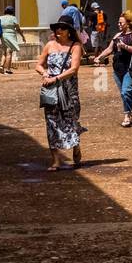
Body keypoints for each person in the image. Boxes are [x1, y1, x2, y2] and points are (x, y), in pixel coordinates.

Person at [36, 15, 83, 170]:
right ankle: (56, 160)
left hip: (69, 90)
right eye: (56, 28)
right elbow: (39, 65)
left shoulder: (75, 46)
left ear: (69, 31)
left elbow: (74, 69)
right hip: (51, 91)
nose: (58, 31)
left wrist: (56, 79)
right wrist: (44, 73)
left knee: (71, 119)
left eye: (61, 28)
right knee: (51, 122)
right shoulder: (49, 45)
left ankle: (76, 145)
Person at [96, 10, 132, 127]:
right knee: (125, 94)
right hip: (118, 70)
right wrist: (99, 57)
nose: (118, 24)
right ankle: (130, 113)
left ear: (128, 23)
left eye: (121, 23)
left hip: (131, 69)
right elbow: (109, 49)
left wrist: (124, 46)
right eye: (118, 23)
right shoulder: (117, 36)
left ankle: (127, 115)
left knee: (126, 91)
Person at [0, 4, 22, 75]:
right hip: (11, 35)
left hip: (3, 36)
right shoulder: (13, 18)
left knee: (4, 52)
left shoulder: (0, 18)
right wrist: (22, 36)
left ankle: (1, 66)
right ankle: (8, 69)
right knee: (9, 52)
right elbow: (18, 28)